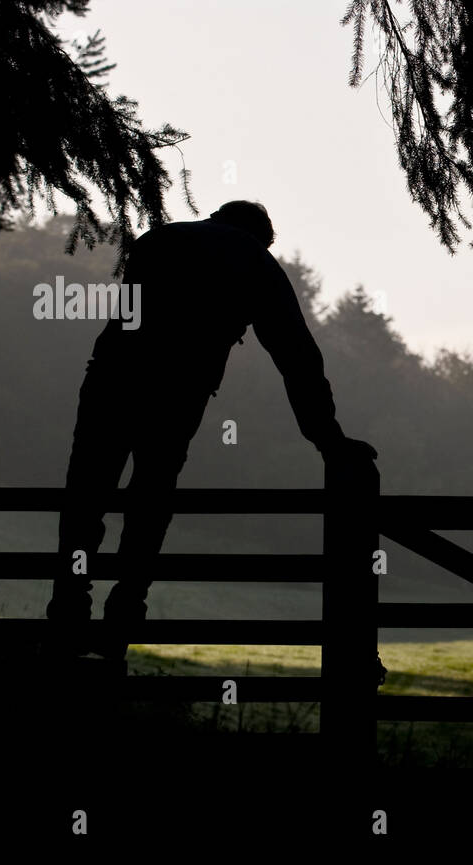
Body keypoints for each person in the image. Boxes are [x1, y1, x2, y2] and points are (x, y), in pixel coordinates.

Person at [46, 201, 376, 658]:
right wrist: (327, 437)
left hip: (112, 377)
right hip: (178, 393)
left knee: (87, 491)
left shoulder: (159, 238)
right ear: (262, 237)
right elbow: (296, 356)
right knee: (151, 498)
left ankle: (68, 608)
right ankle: (123, 613)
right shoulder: (257, 263)